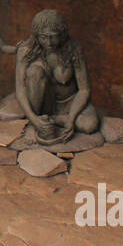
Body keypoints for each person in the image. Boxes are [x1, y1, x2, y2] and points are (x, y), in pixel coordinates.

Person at [14, 8, 99, 144]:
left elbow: (84, 90)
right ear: (36, 35)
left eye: (54, 36)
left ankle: (52, 120)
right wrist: (33, 119)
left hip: (71, 102)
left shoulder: (74, 49)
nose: (49, 43)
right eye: (44, 37)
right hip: (44, 102)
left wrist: (71, 119)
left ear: (62, 34)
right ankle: (34, 122)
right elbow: (20, 89)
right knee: (35, 72)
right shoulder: (26, 50)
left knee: (90, 125)